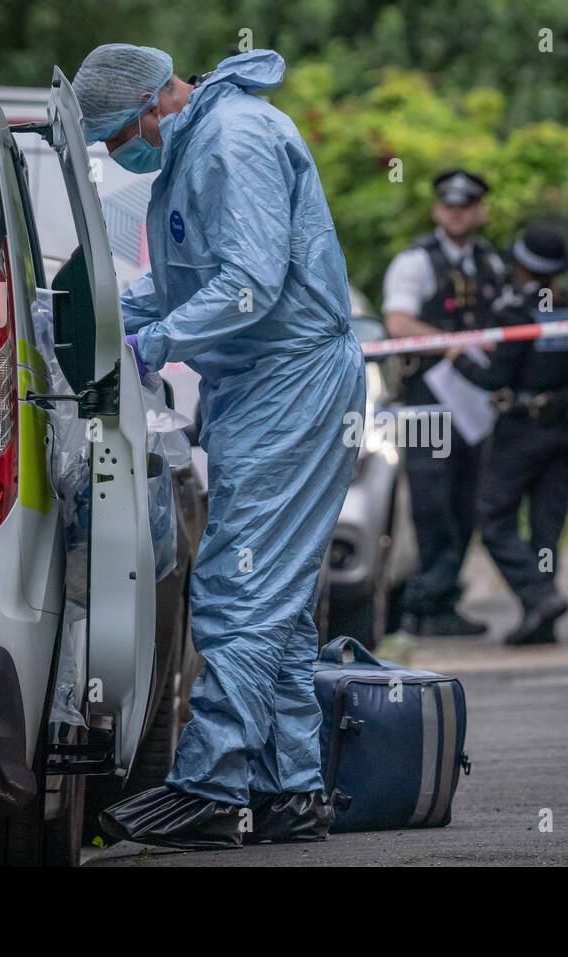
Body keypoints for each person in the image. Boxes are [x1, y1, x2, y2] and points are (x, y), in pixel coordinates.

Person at [72, 44, 365, 848]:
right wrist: (89, 314)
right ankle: (291, 786)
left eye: (112, 135)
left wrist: (156, 342)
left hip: (290, 385)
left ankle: (210, 780)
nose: (111, 153)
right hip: (263, 387)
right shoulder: (195, 146)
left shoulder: (232, 139)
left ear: (149, 105)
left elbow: (247, 282)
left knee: (240, 587)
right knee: (277, 599)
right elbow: (177, 283)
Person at [382, 169, 507, 637]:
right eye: (449, 206)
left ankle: (445, 600)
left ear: (479, 211)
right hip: (425, 399)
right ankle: (423, 605)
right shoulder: (414, 262)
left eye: (466, 206)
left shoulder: (490, 264)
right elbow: (398, 324)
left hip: (475, 401)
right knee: (431, 500)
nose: (457, 214)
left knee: (466, 499)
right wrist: (453, 343)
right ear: (438, 210)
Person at [450, 224, 568, 645]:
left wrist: (459, 359)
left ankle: (539, 596)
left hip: (523, 432)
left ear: (522, 267)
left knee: (492, 520)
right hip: (564, 428)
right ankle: (540, 620)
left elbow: (494, 379)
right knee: (546, 528)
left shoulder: (515, 312)